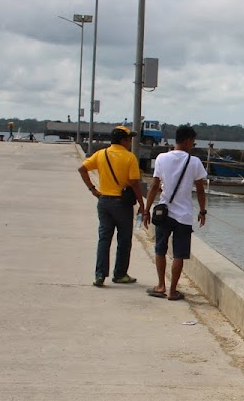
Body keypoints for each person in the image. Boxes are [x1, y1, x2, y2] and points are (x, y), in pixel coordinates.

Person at [142, 125, 207, 301]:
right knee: (179, 254)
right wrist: (202, 211)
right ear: (187, 141)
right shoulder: (195, 162)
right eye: (193, 142)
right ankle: (172, 291)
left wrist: (146, 211)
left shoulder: (162, 158)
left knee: (160, 249)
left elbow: (154, 186)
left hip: (164, 212)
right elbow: (200, 190)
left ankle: (161, 285)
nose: (193, 145)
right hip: (184, 216)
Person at [78, 125, 146, 287]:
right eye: (129, 139)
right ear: (123, 140)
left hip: (104, 202)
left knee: (104, 239)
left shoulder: (101, 154)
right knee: (124, 240)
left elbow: (82, 169)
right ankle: (120, 274)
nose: (130, 142)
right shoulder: (130, 158)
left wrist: (93, 189)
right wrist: (142, 205)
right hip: (122, 204)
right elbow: (135, 184)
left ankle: (100, 275)